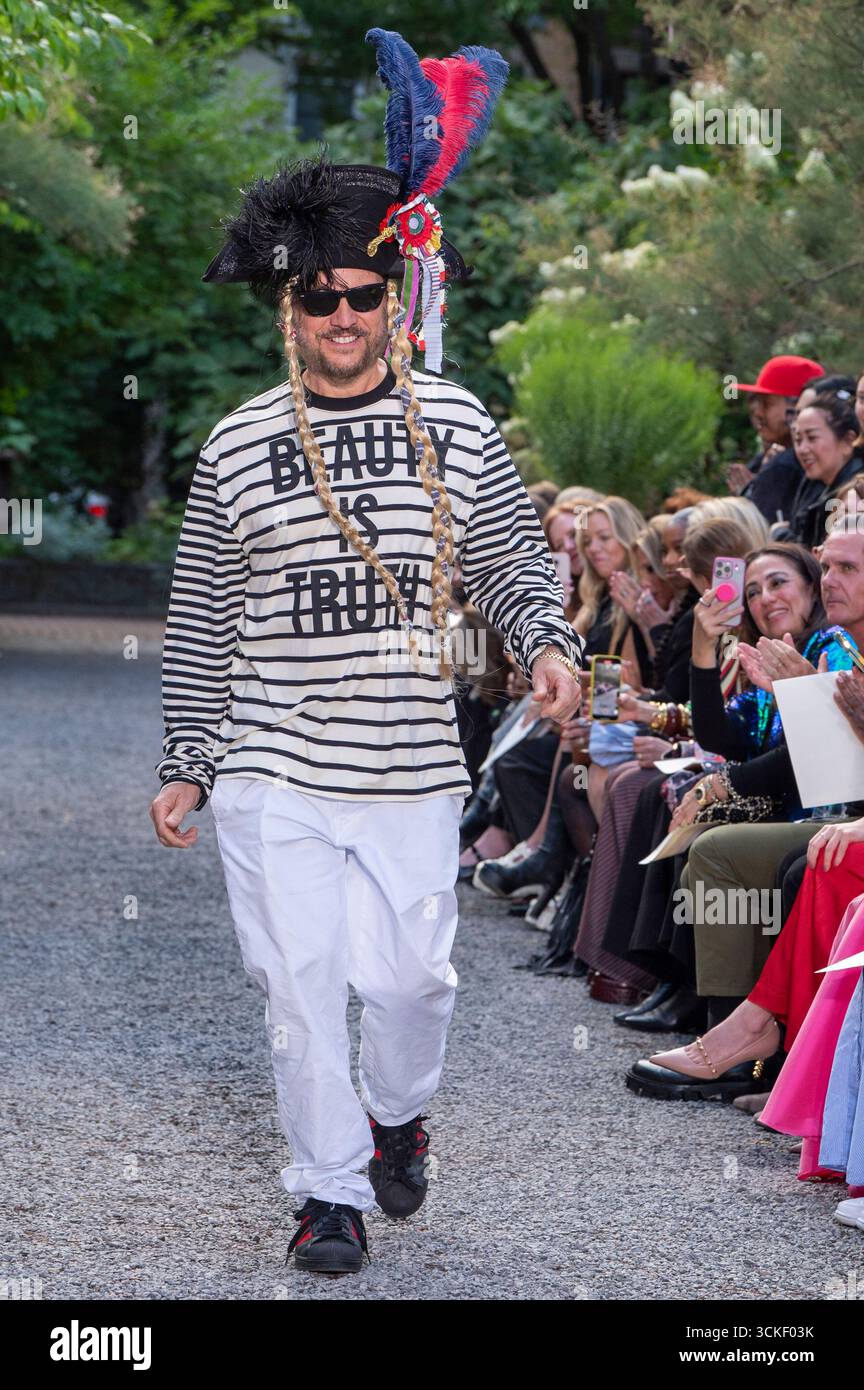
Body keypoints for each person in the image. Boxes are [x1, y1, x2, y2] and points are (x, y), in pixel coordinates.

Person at [148, 30, 583, 1277]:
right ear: (292, 313)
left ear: (395, 299)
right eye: (319, 298)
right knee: (300, 990)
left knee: (409, 987)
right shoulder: (235, 446)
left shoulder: (455, 419)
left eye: (362, 295)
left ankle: (399, 1116)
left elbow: (507, 562)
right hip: (275, 766)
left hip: (408, 765)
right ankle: (327, 1189)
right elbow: (202, 617)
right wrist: (190, 759)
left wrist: (549, 638)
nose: (343, 315)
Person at [727, 354, 824, 524]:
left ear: (798, 406)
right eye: (758, 404)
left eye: (768, 404)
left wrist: (749, 495)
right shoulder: (770, 460)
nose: (758, 413)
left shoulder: (784, 465)